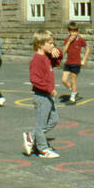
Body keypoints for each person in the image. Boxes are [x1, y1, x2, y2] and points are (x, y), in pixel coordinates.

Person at [26, 29, 62, 158]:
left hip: (47, 95)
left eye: (53, 43)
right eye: (50, 43)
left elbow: (57, 62)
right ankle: (43, 149)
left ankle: (32, 136)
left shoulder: (46, 57)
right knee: (40, 125)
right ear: (41, 44)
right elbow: (34, 79)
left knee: (53, 120)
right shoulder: (37, 60)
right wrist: (48, 88)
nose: (53, 46)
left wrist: (57, 53)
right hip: (41, 95)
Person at [61, 23, 89, 103]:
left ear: (77, 31)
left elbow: (87, 49)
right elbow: (63, 51)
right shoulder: (67, 40)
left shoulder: (80, 40)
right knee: (63, 80)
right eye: (72, 32)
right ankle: (74, 91)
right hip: (68, 62)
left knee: (73, 81)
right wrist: (69, 42)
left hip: (76, 63)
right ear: (68, 32)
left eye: (75, 31)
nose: (74, 33)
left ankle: (72, 98)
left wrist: (83, 60)